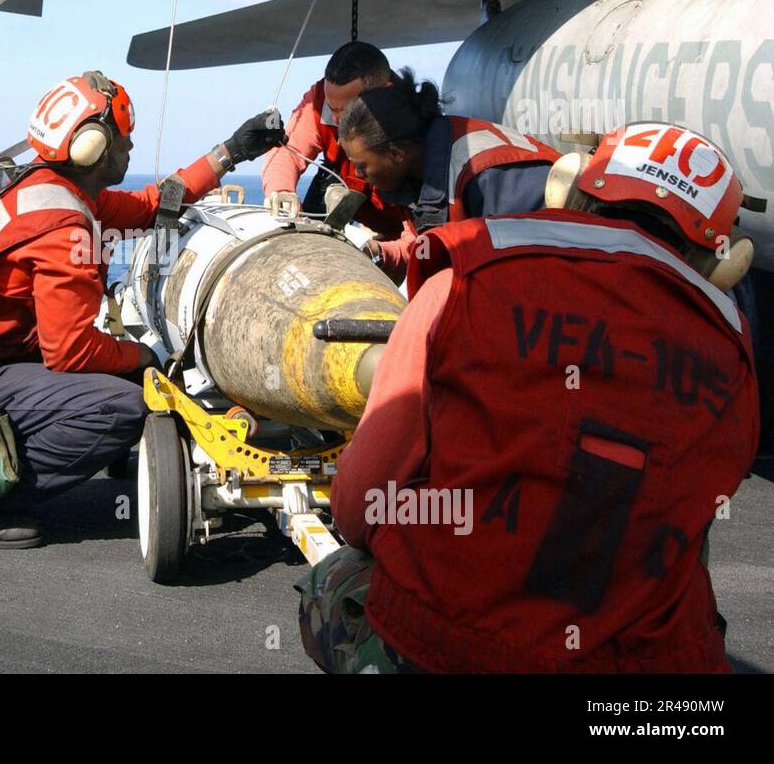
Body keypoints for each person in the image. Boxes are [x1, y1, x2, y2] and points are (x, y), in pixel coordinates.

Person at [299, 121, 758, 672]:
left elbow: (358, 505)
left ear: (572, 188)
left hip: (451, 648)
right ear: (725, 257)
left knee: (332, 583)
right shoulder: (734, 357)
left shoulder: (468, 277)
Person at [0, 71, 285, 549]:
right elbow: (68, 350)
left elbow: (152, 203)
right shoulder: (64, 224)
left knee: (121, 373)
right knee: (122, 404)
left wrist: (230, 152)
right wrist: (141, 359)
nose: (130, 148)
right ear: (91, 146)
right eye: (123, 139)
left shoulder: (57, 189)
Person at [336, 69, 560, 279]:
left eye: (362, 166)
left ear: (396, 154)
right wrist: (380, 253)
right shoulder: (421, 171)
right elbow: (427, 242)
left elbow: (531, 272)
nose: (357, 174)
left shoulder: (490, 178)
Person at [259, 41, 406, 237]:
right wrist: (282, 190)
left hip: (406, 227)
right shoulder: (321, 100)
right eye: (332, 109)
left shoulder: (413, 127)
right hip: (353, 199)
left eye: (346, 110)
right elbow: (288, 150)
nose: (337, 120)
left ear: (384, 95)